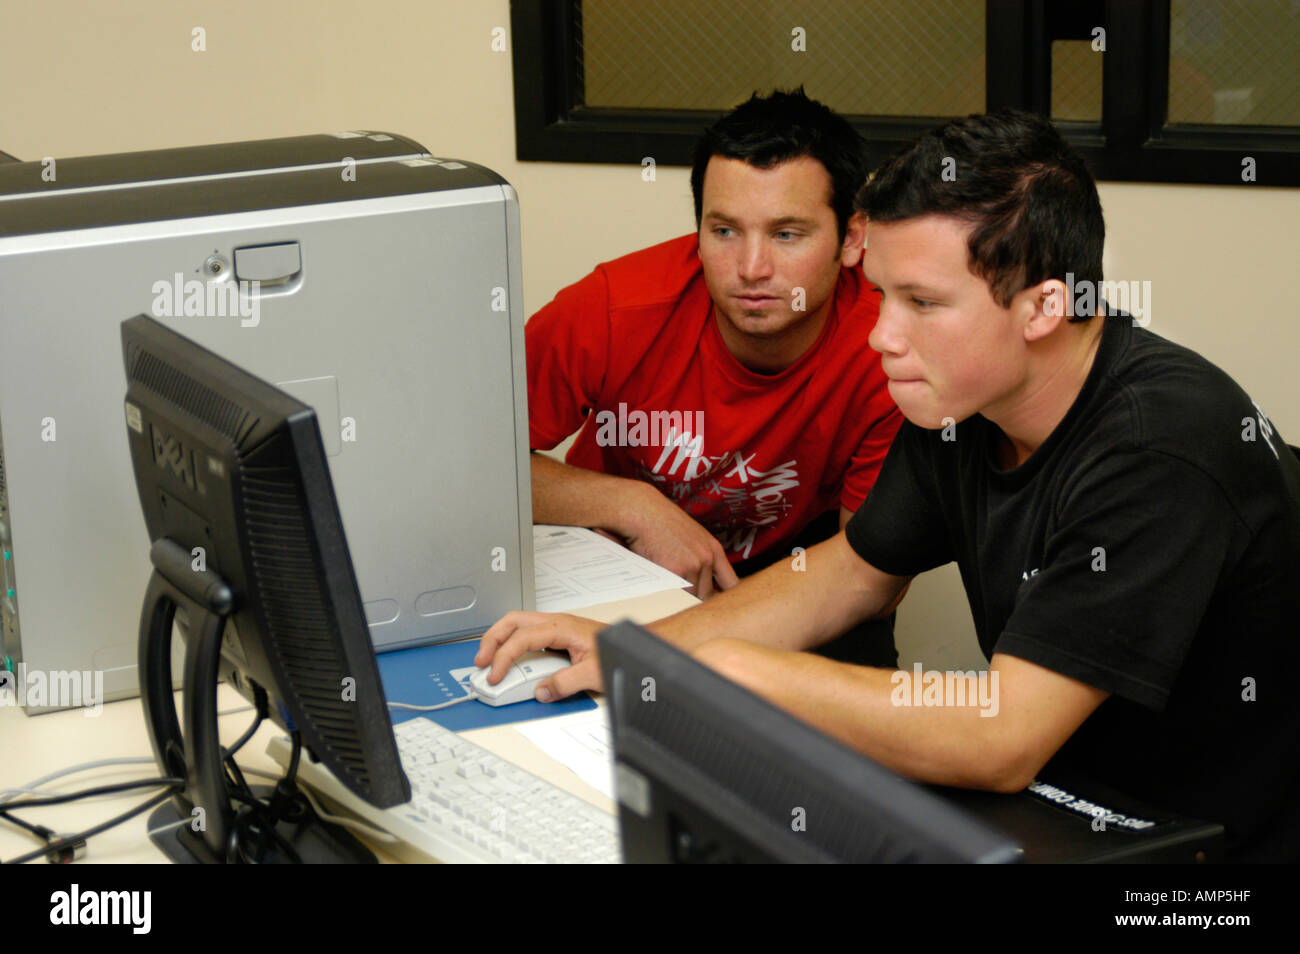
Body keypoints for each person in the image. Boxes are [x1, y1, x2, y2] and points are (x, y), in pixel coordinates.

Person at [480, 109, 1300, 862]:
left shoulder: (1160, 447)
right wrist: (640, 648)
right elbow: (847, 574)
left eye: (921, 303)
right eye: (880, 296)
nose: (878, 336)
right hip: (1068, 808)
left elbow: (1002, 737)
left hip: (1211, 866)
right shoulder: (965, 404)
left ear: (1044, 307)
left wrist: (731, 671)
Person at [527, 88, 902, 664]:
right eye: (724, 231)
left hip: (802, 588)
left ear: (852, 238)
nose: (752, 269)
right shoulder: (613, 308)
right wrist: (633, 506)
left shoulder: (891, 350)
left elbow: (871, 582)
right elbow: (466, 464)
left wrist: (701, 635)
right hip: (616, 561)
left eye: (787, 234)